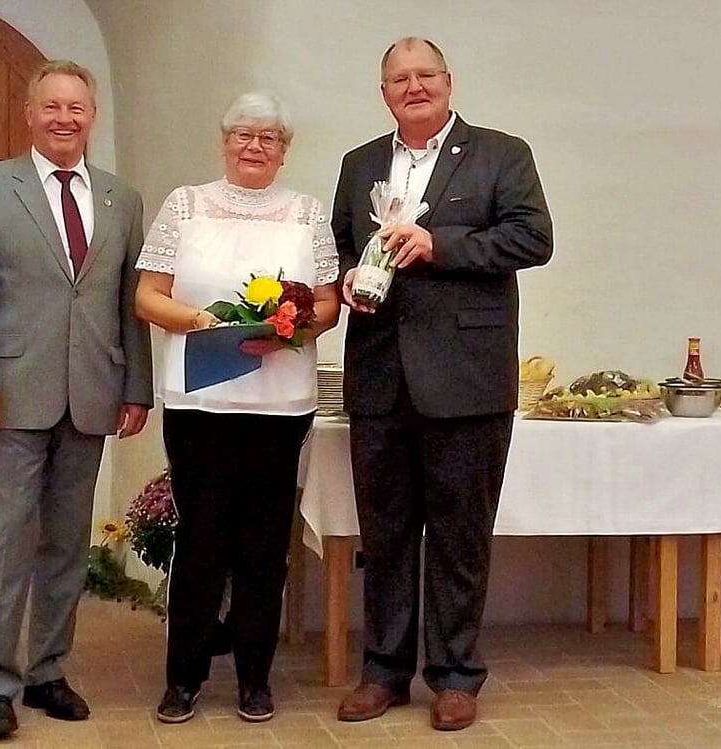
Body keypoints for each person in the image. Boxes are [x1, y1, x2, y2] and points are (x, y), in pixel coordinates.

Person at [333, 38, 553, 731]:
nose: (414, 86)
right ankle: (384, 671)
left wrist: (441, 244)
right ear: (384, 92)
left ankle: (456, 674)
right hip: (378, 375)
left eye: (425, 74)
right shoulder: (359, 162)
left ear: (449, 83)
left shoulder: (501, 153)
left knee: (460, 534)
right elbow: (343, 243)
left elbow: (533, 239)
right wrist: (346, 278)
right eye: (400, 78)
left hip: (468, 378)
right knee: (386, 532)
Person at [0, 59, 153, 741]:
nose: (65, 118)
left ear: (93, 116)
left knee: (66, 542)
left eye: (78, 107)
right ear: (30, 114)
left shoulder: (122, 198)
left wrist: (136, 386)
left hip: (93, 392)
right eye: (52, 106)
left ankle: (48, 670)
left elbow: (129, 302)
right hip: (11, 392)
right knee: (8, 541)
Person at [135, 92, 340, 724]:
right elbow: (148, 296)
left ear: (285, 150)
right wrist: (205, 323)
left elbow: (329, 304)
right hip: (200, 398)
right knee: (201, 539)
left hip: (280, 403)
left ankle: (255, 676)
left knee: (263, 543)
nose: (255, 147)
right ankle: (184, 678)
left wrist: (287, 329)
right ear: (224, 143)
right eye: (243, 135)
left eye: (269, 138)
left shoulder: (307, 213)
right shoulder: (186, 204)